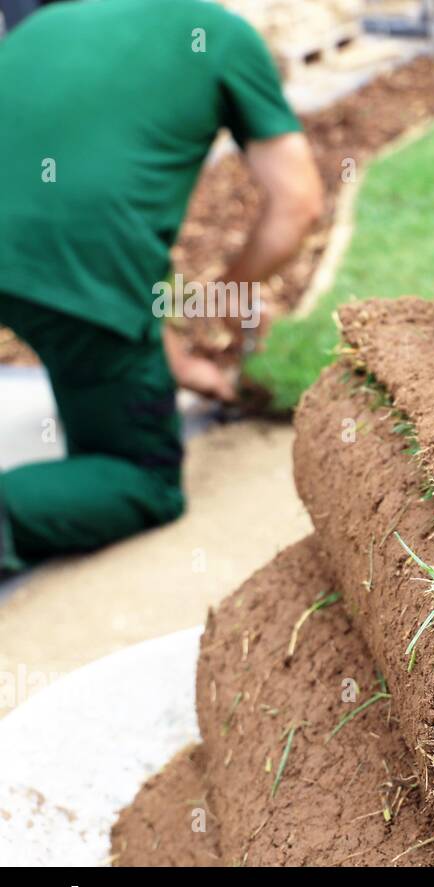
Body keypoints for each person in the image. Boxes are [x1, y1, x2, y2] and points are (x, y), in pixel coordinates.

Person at [0, 0, 324, 574]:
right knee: (139, 477)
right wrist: (224, 297)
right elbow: (297, 203)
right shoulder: (220, 35)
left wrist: (167, 349)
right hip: (74, 264)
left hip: (47, 262)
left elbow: (85, 175)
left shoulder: (51, 22)